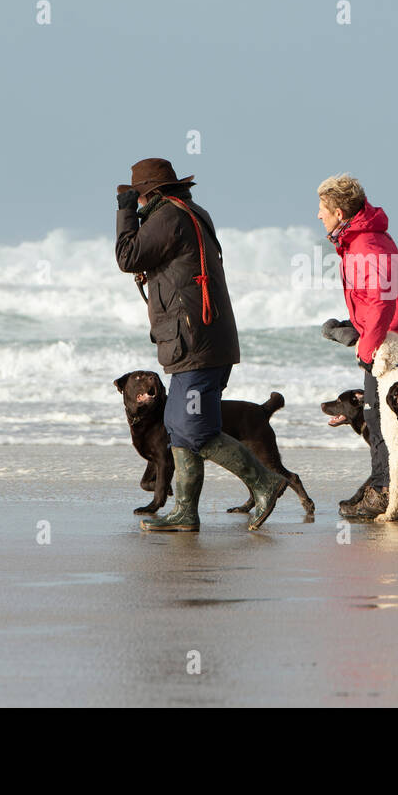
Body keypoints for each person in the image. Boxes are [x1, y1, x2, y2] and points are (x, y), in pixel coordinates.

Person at [115, 158, 285, 532]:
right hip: (197, 341)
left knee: (196, 430)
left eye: (139, 197)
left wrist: (125, 212)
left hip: (196, 345)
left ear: (151, 194)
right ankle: (185, 512)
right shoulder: (187, 212)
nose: (138, 204)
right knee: (177, 425)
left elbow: (126, 256)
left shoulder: (169, 218)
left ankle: (266, 483)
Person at [316, 174, 398, 519]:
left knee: (378, 419)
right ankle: (385, 488)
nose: (319, 216)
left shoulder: (367, 244)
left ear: (339, 212)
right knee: (380, 419)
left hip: (391, 346)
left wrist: (368, 346)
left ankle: (385, 493)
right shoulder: (359, 240)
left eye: (322, 209)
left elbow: (381, 301)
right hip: (385, 339)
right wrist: (355, 329)